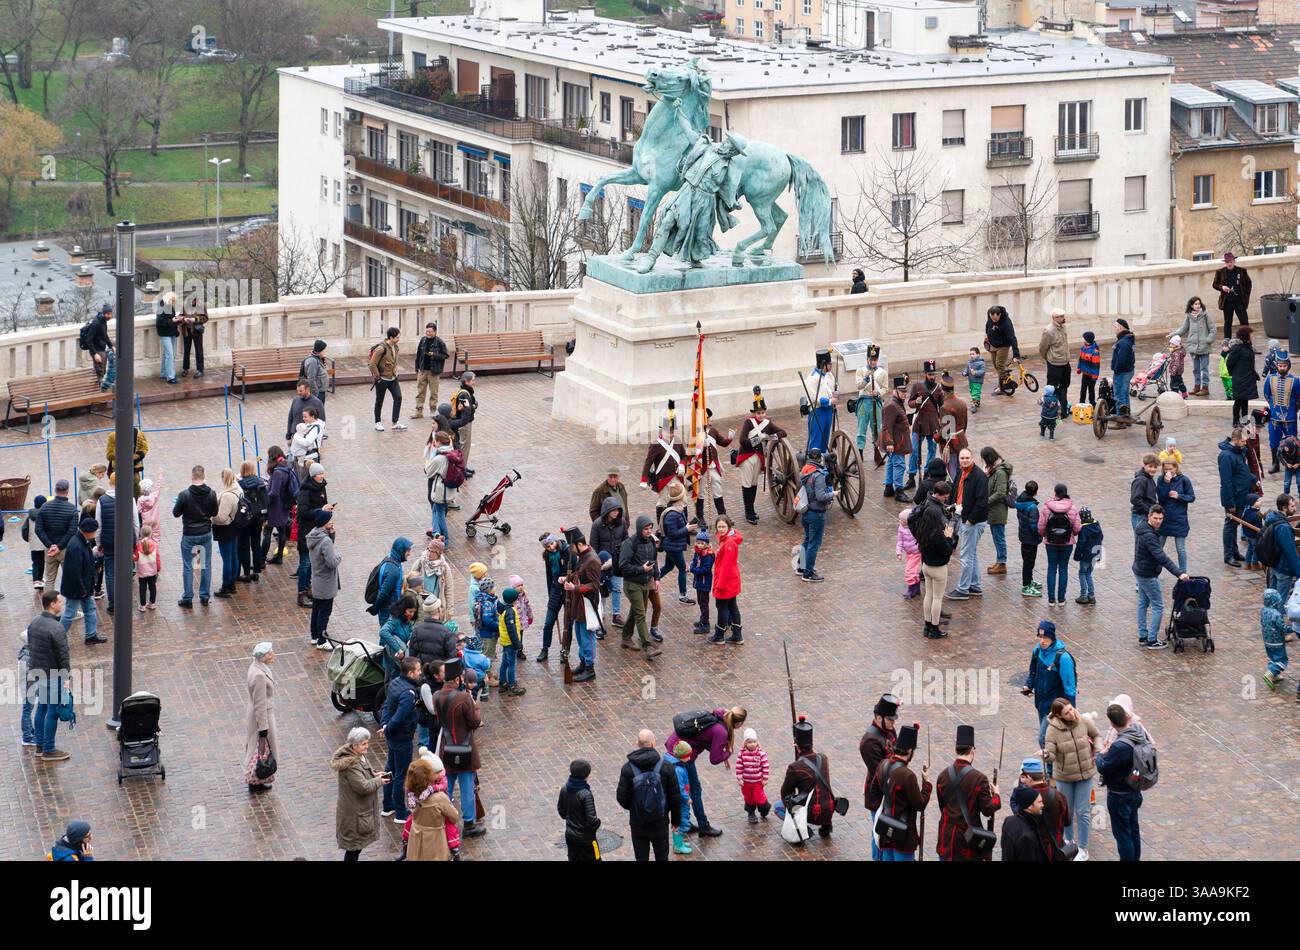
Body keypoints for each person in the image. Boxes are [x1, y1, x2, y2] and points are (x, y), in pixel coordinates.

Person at [664, 705, 746, 839]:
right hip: (682, 755)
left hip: (673, 746)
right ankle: (703, 826)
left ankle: (684, 822)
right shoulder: (721, 731)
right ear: (739, 723)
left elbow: (704, 738)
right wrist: (727, 753)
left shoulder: (719, 714)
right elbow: (714, 759)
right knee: (694, 791)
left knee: (682, 790)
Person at [1043, 698, 1101, 861]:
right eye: (1067, 712)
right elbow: (1051, 754)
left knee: (1083, 811)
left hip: (1085, 774)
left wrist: (1098, 751)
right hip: (1065, 776)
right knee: (1066, 810)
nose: (1072, 713)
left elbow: (1096, 735)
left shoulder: (1083, 720)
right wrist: (1046, 755)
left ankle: (1083, 848)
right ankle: (1069, 840)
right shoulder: (1052, 730)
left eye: (1072, 709)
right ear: (1059, 716)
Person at [434, 658, 486, 838]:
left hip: (446, 747)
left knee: (446, 788)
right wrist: (474, 706)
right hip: (464, 747)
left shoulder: (436, 696)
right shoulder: (464, 697)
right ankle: (469, 824)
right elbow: (475, 722)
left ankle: (444, 821)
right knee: (466, 788)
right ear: (457, 679)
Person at [935, 724, 1001, 862]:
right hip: (967, 842)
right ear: (972, 750)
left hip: (945, 838)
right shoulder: (979, 778)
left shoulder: (942, 775)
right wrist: (996, 796)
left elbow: (943, 805)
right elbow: (987, 809)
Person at [617, 729, 684, 861]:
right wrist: (676, 820)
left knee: (641, 857)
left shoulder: (628, 769)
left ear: (637, 743)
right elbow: (675, 797)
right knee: (662, 856)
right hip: (660, 821)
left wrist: (636, 807)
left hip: (638, 823)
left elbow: (621, 798)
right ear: (653, 743)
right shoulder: (666, 767)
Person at [1094, 702, 1149, 861]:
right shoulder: (1137, 733)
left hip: (1119, 795)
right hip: (1134, 790)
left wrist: (1099, 755)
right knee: (1133, 829)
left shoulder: (1120, 746)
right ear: (1127, 717)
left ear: (1111, 723)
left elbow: (1103, 767)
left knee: (1123, 835)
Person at [868, 722, 931, 861]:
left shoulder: (883, 764)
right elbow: (920, 804)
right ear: (909, 751)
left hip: (886, 826)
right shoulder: (907, 775)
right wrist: (927, 784)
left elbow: (874, 794)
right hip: (903, 832)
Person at [1133, 505, 1190, 649]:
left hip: (1140, 571)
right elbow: (1161, 557)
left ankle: (1143, 636)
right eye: (1155, 518)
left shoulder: (1143, 527)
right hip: (1148, 574)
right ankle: (1152, 639)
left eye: (1160, 519)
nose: (1158, 521)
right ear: (1149, 516)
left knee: (1143, 604)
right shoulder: (1149, 536)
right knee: (1158, 606)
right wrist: (1179, 572)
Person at [333, 726, 389, 861]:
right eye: (364, 744)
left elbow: (362, 775)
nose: (367, 746)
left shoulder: (358, 756)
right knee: (353, 850)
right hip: (353, 817)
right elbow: (363, 787)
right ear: (354, 746)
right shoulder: (351, 764)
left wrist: (374, 774)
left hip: (356, 814)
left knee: (355, 850)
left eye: (367, 742)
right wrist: (378, 781)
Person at [780, 716, 840, 839]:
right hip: (829, 809)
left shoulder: (795, 767)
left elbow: (785, 793)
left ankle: (801, 828)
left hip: (811, 813)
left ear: (796, 746)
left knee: (778, 807)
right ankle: (826, 826)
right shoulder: (823, 758)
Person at [28, 591, 71, 762]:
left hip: (39, 672)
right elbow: (63, 655)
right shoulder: (57, 627)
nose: (61, 604)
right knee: (52, 712)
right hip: (53, 675)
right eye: (59, 601)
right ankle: (49, 749)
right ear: (52, 604)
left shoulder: (34, 623)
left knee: (42, 708)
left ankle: (39, 746)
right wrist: (66, 678)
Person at [379, 656, 422, 823]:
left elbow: (387, 707)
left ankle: (387, 805)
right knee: (400, 775)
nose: (420, 673)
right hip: (401, 737)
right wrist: (388, 728)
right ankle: (400, 811)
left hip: (392, 736)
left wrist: (384, 725)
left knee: (390, 769)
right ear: (411, 673)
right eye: (418, 670)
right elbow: (399, 717)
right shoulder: (408, 693)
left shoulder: (395, 682)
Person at [911, 480, 956, 638]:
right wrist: (950, 538)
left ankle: (927, 625)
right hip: (938, 568)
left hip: (926, 565)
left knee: (928, 595)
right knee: (937, 598)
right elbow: (948, 549)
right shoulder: (937, 533)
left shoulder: (923, 530)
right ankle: (935, 629)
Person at [859, 693, 900, 860]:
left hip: (893, 785)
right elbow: (880, 772)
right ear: (878, 718)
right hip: (879, 793)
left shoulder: (889, 730)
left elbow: (897, 753)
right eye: (890, 719)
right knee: (879, 833)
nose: (893, 723)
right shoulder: (869, 741)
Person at [1022, 619, 1076, 747]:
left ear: (1052, 637)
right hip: (1041, 705)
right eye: (1040, 637)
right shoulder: (1037, 652)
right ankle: (1052, 766)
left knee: (1043, 739)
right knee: (1050, 743)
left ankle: (1052, 767)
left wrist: (1071, 713)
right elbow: (1032, 673)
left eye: (1045, 637)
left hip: (1055, 710)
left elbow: (1070, 688)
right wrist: (1028, 685)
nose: (1042, 640)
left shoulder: (1063, 658)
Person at [735, 393, 788, 523]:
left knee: (753, 485)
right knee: (747, 485)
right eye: (758, 413)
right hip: (746, 456)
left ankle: (751, 510)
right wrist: (759, 439)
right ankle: (749, 513)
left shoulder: (768, 424)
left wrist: (770, 437)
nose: (761, 415)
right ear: (754, 413)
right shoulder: (748, 422)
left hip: (758, 458)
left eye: (763, 412)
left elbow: (783, 432)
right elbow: (742, 440)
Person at [173, 465, 217, 608]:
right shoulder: (211, 493)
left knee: (188, 566)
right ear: (204, 477)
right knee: (205, 564)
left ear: (192, 477)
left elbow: (176, 513)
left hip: (190, 534)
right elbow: (214, 512)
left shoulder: (184, 494)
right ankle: (204, 596)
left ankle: (188, 598)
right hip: (205, 533)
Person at [947, 448, 988, 600]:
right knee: (972, 553)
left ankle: (963, 589)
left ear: (972, 458)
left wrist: (970, 520)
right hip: (963, 517)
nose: (964, 460)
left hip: (972, 522)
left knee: (966, 556)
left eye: (967, 458)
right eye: (962, 458)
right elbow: (954, 490)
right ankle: (975, 586)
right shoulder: (961, 472)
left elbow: (982, 502)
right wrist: (951, 507)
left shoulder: (979, 476)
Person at [94, 471, 137, 616]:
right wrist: (134, 540)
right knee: (126, 572)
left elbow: (98, 525)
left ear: (110, 483)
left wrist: (99, 543)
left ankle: (113, 604)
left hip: (109, 541)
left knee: (110, 573)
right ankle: (125, 602)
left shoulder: (102, 500)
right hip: (126, 542)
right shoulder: (129, 498)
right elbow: (135, 522)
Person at [404, 754, 461, 861]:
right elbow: (454, 817)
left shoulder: (411, 794)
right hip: (435, 844)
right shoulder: (439, 798)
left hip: (416, 841)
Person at [563, 529, 602, 683]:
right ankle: (583, 663)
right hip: (579, 604)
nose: (571, 550)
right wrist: (567, 579)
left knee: (587, 637)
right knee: (580, 635)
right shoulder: (583, 557)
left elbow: (594, 585)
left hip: (587, 603)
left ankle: (590, 668)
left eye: (572, 547)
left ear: (579, 544)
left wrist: (574, 588)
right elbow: (579, 575)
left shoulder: (592, 560)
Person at [619, 515, 662, 657]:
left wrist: (656, 578)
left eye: (650, 528)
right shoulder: (629, 543)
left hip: (645, 583)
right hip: (632, 584)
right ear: (639, 529)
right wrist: (641, 569)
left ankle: (626, 637)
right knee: (641, 614)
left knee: (636, 611)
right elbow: (623, 566)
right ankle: (647, 646)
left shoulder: (651, 542)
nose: (649, 531)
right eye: (646, 529)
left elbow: (654, 560)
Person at [59, 518, 104, 645]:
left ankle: (91, 635)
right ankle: (57, 638)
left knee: (90, 608)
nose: (95, 534)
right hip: (77, 588)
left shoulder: (81, 541)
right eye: (94, 532)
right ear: (88, 532)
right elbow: (74, 572)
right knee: (69, 614)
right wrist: (82, 590)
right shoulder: (77, 546)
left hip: (83, 586)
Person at [1038, 483, 1081, 606]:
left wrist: (1045, 535)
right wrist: (1072, 534)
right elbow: (1077, 528)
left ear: (1054, 492)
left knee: (1051, 568)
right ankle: (1061, 599)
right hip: (1067, 543)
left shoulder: (1046, 508)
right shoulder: (1072, 508)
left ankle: (1051, 600)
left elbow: (1040, 527)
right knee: (1063, 569)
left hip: (1050, 542)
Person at [1218, 428, 1255, 567]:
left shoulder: (1239, 452)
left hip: (1241, 495)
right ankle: (1228, 556)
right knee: (1230, 526)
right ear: (1236, 440)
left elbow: (1242, 470)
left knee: (1234, 526)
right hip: (1233, 497)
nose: (1245, 444)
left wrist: (1252, 478)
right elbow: (1226, 481)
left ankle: (1234, 552)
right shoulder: (1226, 456)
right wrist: (1229, 502)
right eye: (1243, 441)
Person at [244, 642, 277, 794]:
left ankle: (257, 779)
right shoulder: (259, 675)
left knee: (256, 747)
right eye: (270, 653)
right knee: (259, 749)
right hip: (262, 716)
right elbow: (260, 703)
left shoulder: (256, 667)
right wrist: (263, 728)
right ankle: (256, 779)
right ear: (262, 657)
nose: (273, 655)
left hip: (259, 714)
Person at [295, 463, 330, 607]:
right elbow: (302, 513)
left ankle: (308, 589)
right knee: (305, 563)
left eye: (323, 473)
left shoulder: (322, 486)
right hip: (306, 532)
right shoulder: (305, 490)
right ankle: (301, 594)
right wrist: (320, 510)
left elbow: (324, 502)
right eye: (319, 474)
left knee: (312, 563)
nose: (322, 476)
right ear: (313, 476)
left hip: (318, 531)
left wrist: (327, 510)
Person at [798, 447, 835, 583]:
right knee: (814, 544)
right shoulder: (818, 475)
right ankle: (808, 573)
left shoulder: (805, 470)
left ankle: (801, 567)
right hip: (816, 513)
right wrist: (833, 494)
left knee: (807, 540)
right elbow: (821, 496)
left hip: (806, 511)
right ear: (820, 458)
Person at [590, 495, 628, 625]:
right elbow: (593, 546)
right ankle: (601, 613)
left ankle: (616, 615)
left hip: (616, 561)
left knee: (617, 587)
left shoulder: (622, 522)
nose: (616, 512)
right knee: (603, 589)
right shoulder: (597, 525)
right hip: (603, 563)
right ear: (607, 511)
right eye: (614, 510)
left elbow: (625, 540)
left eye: (618, 510)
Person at [306, 508, 340, 649]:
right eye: (329, 520)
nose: (332, 521)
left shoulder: (314, 536)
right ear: (324, 522)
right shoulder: (325, 540)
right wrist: (339, 557)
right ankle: (322, 640)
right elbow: (331, 562)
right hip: (326, 582)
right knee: (324, 612)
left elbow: (324, 547)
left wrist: (332, 534)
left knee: (316, 609)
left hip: (317, 579)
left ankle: (314, 636)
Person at [641, 418, 687, 522]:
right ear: (662, 430)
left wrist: (682, 465)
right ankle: (662, 529)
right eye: (667, 431)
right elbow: (648, 463)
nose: (669, 435)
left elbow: (683, 456)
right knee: (663, 503)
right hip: (664, 480)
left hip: (677, 478)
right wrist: (643, 480)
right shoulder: (655, 444)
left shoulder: (677, 441)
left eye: (671, 432)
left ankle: (684, 524)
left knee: (683, 501)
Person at [35, 479, 77, 591]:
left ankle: (49, 607)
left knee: (49, 580)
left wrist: (50, 545)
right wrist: (59, 547)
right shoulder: (72, 509)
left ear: (55, 490)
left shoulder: (44, 507)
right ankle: (72, 608)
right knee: (70, 580)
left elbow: (38, 529)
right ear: (67, 491)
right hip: (65, 550)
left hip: (49, 550)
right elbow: (72, 531)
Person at [906, 360, 943, 486]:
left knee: (932, 450)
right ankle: (911, 476)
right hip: (919, 423)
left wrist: (941, 424)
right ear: (925, 374)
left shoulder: (938, 388)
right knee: (914, 450)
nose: (932, 377)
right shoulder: (917, 387)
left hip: (933, 424)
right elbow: (910, 403)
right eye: (930, 374)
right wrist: (916, 402)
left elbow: (941, 407)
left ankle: (927, 473)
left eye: (934, 374)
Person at [709, 515, 745, 644]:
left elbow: (726, 566)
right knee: (732, 606)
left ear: (729, 527)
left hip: (726, 581)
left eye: (723, 526)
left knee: (722, 607)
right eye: (719, 527)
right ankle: (737, 635)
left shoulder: (729, 543)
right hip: (732, 580)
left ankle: (719, 636)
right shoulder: (728, 539)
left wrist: (720, 585)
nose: (721, 529)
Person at [1155, 459, 1194, 574]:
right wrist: (1166, 484)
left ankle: (1183, 572)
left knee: (1180, 549)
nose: (1168, 471)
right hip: (1164, 519)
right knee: (1158, 547)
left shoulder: (1184, 480)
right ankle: (1155, 571)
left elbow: (1191, 497)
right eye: (1165, 469)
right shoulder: (1161, 479)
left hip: (1179, 519)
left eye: (1170, 469)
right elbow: (1161, 498)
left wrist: (1179, 496)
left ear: (1176, 468)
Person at [558, 759, 602, 861]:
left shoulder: (564, 788)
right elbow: (592, 821)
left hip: (570, 835)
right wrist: (598, 823)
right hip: (587, 838)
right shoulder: (585, 794)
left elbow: (562, 812)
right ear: (587, 775)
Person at [1263, 351, 1298, 473]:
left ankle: (1292, 463)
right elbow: (1267, 395)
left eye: (1284, 365)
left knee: (1292, 440)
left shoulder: (1295, 381)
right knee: (1273, 440)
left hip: (1290, 417)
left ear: (1288, 365)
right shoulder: (1270, 379)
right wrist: (1274, 408)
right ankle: (1275, 463)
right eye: (1280, 365)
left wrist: (1293, 410)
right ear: (1276, 365)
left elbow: (1299, 398)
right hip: (1274, 417)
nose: (1282, 368)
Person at [211, 468, 244, 599]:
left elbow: (221, 518)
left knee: (227, 559)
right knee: (234, 556)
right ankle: (232, 585)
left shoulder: (226, 496)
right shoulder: (239, 490)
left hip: (225, 528)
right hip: (236, 526)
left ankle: (226, 586)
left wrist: (211, 517)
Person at [1173, 295, 1215, 396]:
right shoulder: (1189, 317)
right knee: (1195, 368)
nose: (1198, 305)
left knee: (1204, 368)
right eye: (1196, 304)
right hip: (1193, 347)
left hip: (1204, 347)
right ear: (1191, 305)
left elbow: (1213, 329)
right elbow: (1183, 329)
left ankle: (1205, 388)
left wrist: (1208, 340)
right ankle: (1197, 386)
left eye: (1199, 303)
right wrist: (1172, 334)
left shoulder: (1205, 315)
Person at [659, 481, 693, 600]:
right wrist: (686, 529)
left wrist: (686, 527)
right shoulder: (673, 513)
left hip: (673, 546)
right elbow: (672, 533)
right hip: (674, 546)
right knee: (682, 569)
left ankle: (652, 579)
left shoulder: (677, 509)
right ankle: (683, 595)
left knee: (668, 566)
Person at [880, 375, 912, 502]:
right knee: (899, 465)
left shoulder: (897, 403)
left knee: (892, 463)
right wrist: (889, 443)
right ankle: (899, 491)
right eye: (902, 391)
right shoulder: (892, 406)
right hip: (895, 442)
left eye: (905, 391)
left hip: (898, 440)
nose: (904, 394)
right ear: (895, 391)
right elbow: (887, 426)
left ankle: (888, 488)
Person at [982, 447, 1013, 575]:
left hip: (997, 509)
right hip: (994, 509)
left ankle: (1002, 563)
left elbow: (1000, 492)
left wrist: (986, 502)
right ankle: (999, 560)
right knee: (996, 536)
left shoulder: (1000, 473)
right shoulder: (995, 470)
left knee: (999, 536)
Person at [370, 326, 407, 432]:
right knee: (379, 401)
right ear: (391, 337)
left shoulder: (396, 347)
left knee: (398, 397)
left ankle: (395, 422)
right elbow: (372, 364)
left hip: (393, 378)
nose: (399, 339)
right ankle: (377, 422)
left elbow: (394, 361)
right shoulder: (381, 348)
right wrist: (378, 377)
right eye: (397, 337)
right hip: (382, 379)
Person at [262, 447, 294, 566]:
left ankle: (261, 559)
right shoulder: (285, 466)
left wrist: (265, 500)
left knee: (267, 532)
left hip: (275, 508)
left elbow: (274, 493)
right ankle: (279, 556)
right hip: (284, 505)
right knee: (282, 530)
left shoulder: (277, 472)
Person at [236, 460, 266, 583]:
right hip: (258, 517)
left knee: (244, 545)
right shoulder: (260, 483)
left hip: (245, 518)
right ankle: (257, 571)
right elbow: (266, 501)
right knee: (256, 543)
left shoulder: (240, 485)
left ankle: (247, 572)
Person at [424, 431, 456, 548]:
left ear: (439, 442)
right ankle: (436, 533)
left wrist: (429, 461)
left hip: (440, 491)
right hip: (449, 489)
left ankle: (445, 540)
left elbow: (428, 472)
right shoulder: (452, 452)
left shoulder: (439, 458)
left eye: (435, 441)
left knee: (440, 513)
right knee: (436, 511)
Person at [1262, 494, 1300, 594]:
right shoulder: (1284, 528)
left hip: (1273, 566)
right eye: (1292, 506)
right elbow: (1291, 553)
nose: (1295, 508)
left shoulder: (1272, 518)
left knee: (1272, 599)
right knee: (1280, 602)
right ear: (1284, 508)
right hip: (1283, 569)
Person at [411, 322, 449, 419]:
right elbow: (418, 354)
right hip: (423, 370)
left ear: (435, 332)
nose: (428, 333)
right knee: (420, 392)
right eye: (427, 331)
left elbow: (445, 355)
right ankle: (419, 411)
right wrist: (417, 367)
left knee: (434, 393)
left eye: (430, 331)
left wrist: (434, 355)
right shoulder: (423, 340)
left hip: (434, 371)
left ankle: (433, 411)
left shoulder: (439, 342)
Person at [999, 787, 1048, 861]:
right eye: (1039, 802)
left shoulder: (1009, 820)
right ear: (1030, 806)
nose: (1043, 805)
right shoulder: (1027, 837)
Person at [1039, 308, 1071, 419]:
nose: (1063, 318)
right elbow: (1043, 348)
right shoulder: (1048, 330)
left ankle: (1063, 409)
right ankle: (1052, 410)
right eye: (1061, 316)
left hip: (1065, 362)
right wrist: (1048, 358)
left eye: (1063, 315)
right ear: (1054, 318)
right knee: (1052, 388)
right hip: (1054, 364)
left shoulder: (1064, 327)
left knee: (1064, 386)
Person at [1212, 251, 1252, 341]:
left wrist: (1245, 296)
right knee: (1228, 323)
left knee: (1244, 322)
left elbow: (1249, 284)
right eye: (1227, 262)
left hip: (1239, 301)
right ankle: (1227, 341)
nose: (1229, 263)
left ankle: (1246, 341)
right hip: (1227, 302)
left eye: (1231, 261)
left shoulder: (1242, 271)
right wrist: (1222, 287)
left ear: (1234, 261)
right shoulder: (1220, 272)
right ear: (1225, 263)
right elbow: (1214, 284)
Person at [735, 727, 772, 822]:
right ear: (745, 743)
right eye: (749, 742)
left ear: (757, 742)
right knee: (748, 798)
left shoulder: (760, 753)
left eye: (754, 742)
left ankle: (764, 807)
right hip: (746, 782)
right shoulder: (742, 754)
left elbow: (765, 766)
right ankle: (751, 813)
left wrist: (765, 778)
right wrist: (739, 778)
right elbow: (739, 766)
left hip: (757, 781)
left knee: (758, 797)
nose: (752, 744)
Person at [805, 348, 837, 455]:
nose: (831, 365)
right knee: (816, 440)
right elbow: (814, 399)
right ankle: (813, 466)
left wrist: (836, 393)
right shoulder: (812, 378)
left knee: (825, 440)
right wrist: (829, 401)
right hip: (817, 412)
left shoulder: (829, 375)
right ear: (823, 364)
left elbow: (833, 388)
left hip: (828, 411)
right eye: (829, 363)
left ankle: (823, 463)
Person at [496, 587, 526, 697]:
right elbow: (512, 630)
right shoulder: (510, 612)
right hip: (510, 642)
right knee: (512, 664)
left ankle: (503, 682)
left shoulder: (504, 608)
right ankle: (512, 685)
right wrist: (517, 644)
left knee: (505, 662)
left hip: (505, 641)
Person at [1262, 587, 1292, 694]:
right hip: (1277, 641)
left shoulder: (1263, 610)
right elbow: (1282, 627)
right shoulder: (1276, 614)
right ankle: (1269, 674)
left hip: (1267, 641)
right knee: (1282, 660)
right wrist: (1292, 628)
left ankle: (1275, 674)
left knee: (1273, 657)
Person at [856, 344, 887, 448]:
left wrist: (878, 393)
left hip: (876, 402)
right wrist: (865, 378)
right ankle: (860, 451)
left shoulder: (882, 372)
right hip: (864, 402)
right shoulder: (860, 371)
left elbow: (885, 388)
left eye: (875, 359)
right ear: (867, 359)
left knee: (877, 429)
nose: (873, 362)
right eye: (871, 359)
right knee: (861, 429)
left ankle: (876, 450)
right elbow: (858, 386)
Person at [939, 373, 969, 482]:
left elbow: (945, 432)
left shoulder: (945, 407)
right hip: (961, 439)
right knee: (962, 468)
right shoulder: (962, 403)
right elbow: (965, 423)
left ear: (943, 392)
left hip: (950, 444)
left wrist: (937, 436)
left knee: (951, 471)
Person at [983, 305, 1021, 389]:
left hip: (1003, 345)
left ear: (999, 315)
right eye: (992, 318)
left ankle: (1002, 386)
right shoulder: (990, 318)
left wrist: (1016, 355)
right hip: (993, 344)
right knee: (996, 366)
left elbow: (1012, 338)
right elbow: (987, 327)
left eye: (995, 319)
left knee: (999, 365)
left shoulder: (1006, 322)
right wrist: (987, 337)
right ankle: (1006, 380)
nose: (994, 320)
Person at [105, 426, 148, 498]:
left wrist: (134, 457)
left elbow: (144, 449)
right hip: (119, 470)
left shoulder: (139, 434)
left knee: (135, 494)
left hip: (133, 471)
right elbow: (109, 455)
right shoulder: (113, 436)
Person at [450, 372, 478, 475]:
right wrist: (474, 407)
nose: (474, 382)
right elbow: (468, 410)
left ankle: (463, 466)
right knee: (464, 447)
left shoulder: (465, 392)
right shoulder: (464, 394)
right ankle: (461, 469)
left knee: (465, 446)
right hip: (465, 424)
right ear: (467, 381)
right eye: (473, 380)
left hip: (465, 422)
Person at [1074, 507, 1102, 605]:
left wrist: (1077, 555)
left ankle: (1083, 596)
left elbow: (1080, 543)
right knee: (1089, 574)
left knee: (1082, 573)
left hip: (1086, 555)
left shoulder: (1084, 529)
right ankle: (1091, 595)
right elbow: (1101, 538)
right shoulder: (1097, 526)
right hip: (1095, 554)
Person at [689, 529, 715, 634]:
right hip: (699, 581)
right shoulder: (698, 552)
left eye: (701, 543)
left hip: (704, 583)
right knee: (700, 602)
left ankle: (706, 624)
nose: (699, 545)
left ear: (706, 544)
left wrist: (694, 569)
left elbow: (705, 569)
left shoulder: (708, 555)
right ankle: (702, 620)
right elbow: (694, 562)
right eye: (698, 543)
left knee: (704, 603)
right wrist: (692, 566)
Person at [285, 379, 325, 446]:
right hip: (295, 438)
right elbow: (290, 418)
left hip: (309, 440)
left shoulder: (317, 403)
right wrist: (288, 436)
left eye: (301, 391)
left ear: (307, 389)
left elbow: (322, 422)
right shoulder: (295, 400)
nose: (298, 393)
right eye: (297, 390)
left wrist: (319, 439)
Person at [83, 303, 114, 385]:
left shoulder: (104, 321)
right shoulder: (96, 323)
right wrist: (95, 354)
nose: (109, 316)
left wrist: (111, 346)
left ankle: (102, 382)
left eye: (110, 314)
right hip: (96, 348)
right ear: (104, 313)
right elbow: (88, 340)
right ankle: (101, 386)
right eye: (108, 314)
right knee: (100, 366)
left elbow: (105, 335)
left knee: (103, 367)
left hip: (101, 347)